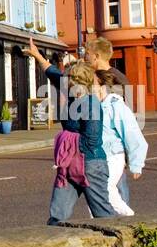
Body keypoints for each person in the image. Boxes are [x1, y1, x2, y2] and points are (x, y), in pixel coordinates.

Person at [46, 60, 118, 224]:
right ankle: (53, 238)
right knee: (57, 214)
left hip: (90, 164)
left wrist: (67, 144)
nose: (66, 84)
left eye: (69, 80)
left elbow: (92, 139)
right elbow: (55, 75)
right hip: (68, 164)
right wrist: (37, 56)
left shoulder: (91, 104)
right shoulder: (73, 97)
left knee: (103, 215)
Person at [99, 75, 148, 216]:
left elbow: (133, 135)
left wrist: (136, 164)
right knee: (96, 193)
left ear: (102, 87)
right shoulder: (94, 105)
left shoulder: (117, 107)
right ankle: (97, 223)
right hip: (99, 157)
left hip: (113, 156)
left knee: (104, 189)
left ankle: (130, 218)